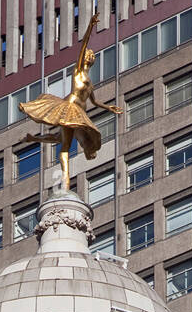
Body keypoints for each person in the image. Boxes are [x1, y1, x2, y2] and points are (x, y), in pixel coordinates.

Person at [19, 14, 121, 189]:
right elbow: (83, 45)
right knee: (65, 143)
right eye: (90, 55)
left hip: (80, 113)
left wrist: (108, 107)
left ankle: (33, 138)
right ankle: (65, 180)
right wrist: (90, 26)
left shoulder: (90, 83)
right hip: (70, 108)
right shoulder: (78, 72)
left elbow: (94, 102)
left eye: (93, 56)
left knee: (62, 139)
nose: (91, 56)